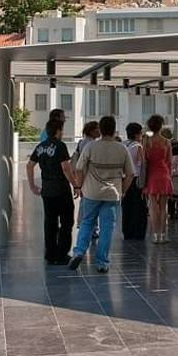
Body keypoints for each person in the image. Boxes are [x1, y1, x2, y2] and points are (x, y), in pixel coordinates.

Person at [69, 116, 135, 273]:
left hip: (91, 192)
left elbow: (78, 168)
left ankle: (79, 252)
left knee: (87, 223)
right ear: (114, 129)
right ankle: (102, 262)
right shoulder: (121, 149)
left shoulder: (91, 147)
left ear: (101, 129)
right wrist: (123, 190)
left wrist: (80, 185)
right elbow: (131, 174)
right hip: (112, 194)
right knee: (106, 228)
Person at [27, 119, 77, 265]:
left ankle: (50, 254)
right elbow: (66, 168)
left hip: (47, 190)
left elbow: (30, 165)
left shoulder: (40, 147)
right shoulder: (60, 146)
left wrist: (32, 185)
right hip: (61, 189)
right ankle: (62, 254)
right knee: (66, 222)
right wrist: (75, 184)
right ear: (58, 131)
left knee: (50, 223)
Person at [142, 115, 174, 244]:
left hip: (152, 175)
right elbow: (169, 162)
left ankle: (155, 235)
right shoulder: (167, 142)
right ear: (161, 126)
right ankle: (164, 234)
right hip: (164, 174)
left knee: (153, 207)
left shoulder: (147, 142)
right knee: (163, 207)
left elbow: (144, 160)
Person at [121, 123, 148, 240]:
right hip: (136, 179)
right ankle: (138, 232)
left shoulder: (123, 145)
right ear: (138, 134)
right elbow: (142, 165)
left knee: (126, 206)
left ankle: (127, 231)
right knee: (139, 207)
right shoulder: (138, 146)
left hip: (124, 178)